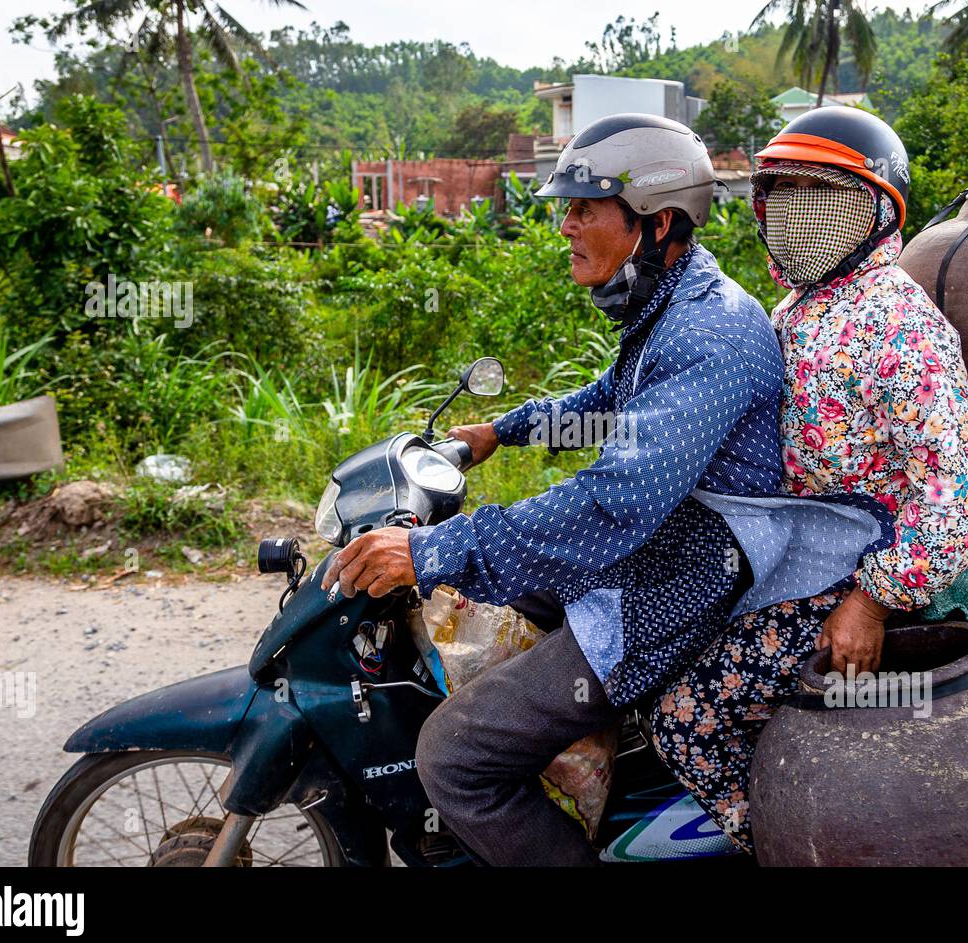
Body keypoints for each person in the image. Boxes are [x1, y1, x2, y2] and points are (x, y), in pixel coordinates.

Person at [320, 114, 799, 866]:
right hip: (660, 549)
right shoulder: (673, 304)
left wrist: (433, 548)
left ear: (658, 220)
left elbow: (614, 502)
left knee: (454, 757)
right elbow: (608, 401)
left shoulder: (708, 336)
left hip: (681, 584)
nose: (566, 227)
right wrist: (501, 432)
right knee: (484, 604)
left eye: (584, 209)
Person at [648, 106, 968, 854]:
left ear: (877, 210)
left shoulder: (902, 325)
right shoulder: (803, 306)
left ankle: (777, 845)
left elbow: (957, 487)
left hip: (851, 576)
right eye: (783, 190)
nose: (796, 210)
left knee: (683, 719)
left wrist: (872, 602)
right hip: (789, 558)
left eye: (823, 191)